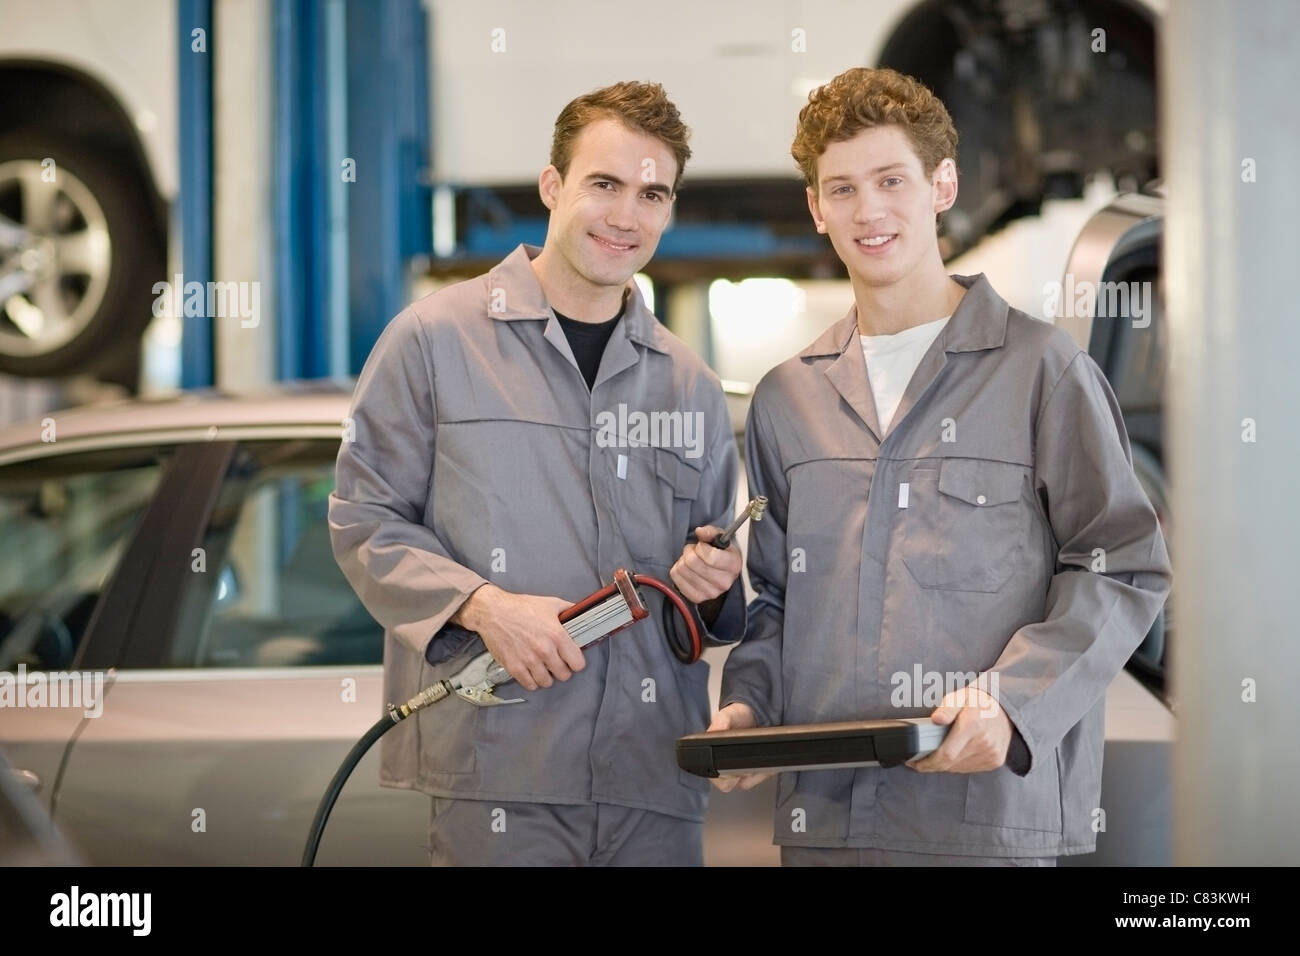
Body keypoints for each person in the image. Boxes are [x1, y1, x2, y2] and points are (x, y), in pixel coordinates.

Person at [712, 67, 1172, 866]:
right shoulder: (790, 397)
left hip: (983, 819)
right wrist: (749, 705)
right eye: (843, 189)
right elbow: (779, 599)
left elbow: (1123, 566)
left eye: (891, 180)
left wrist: (1013, 702)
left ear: (942, 184)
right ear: (817, 208)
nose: (869, 210)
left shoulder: (1039, 370)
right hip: (827, 821)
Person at [329, 81, 744, 866]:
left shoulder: (688, 381)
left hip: (653, 775)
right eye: (605, 184)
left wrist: (714, 578)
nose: (627, 215)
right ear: (552, 186)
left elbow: (710, 578)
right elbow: (364, 519)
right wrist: (483, 607)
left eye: (653, 193)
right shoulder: (433, 341)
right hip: (502, 766)